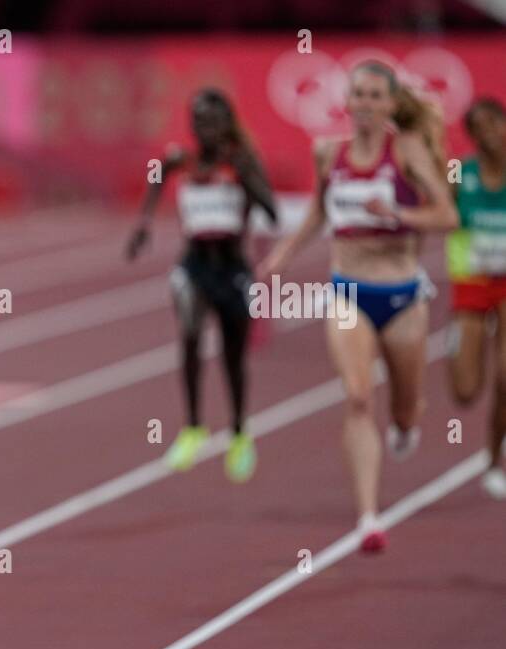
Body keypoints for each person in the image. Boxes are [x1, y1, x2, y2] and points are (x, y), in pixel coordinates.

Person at [258, 62, 457, 552]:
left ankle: (407, 424)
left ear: (390, 105)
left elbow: (448, 215)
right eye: (358, 95)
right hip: (348, 290)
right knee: (358, 397)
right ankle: (368, 517)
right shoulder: (328, 152)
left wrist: (399, 214)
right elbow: (317, 214)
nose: (365, 104)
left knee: (405, 409)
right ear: (345, 102)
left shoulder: (406, 150)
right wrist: (280, 257)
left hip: (402, 295)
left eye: (375, 96)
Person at [127, 89, 278, 482]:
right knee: (190, 339)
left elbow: (272, 211)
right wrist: (144, 223)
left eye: (211, 122)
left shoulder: (241, 161)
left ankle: (240, 433)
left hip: (232, 268)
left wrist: (247, 181)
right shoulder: (183, 160)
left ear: (227, 123)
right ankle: (193, 427)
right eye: (197, 122)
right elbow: (158, 175)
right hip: (194, 264)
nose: (203, 129)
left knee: (232, 356)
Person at [446, 96, 506, 497]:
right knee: (466, 392)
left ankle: (493, 457)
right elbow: (439, 213)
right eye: (478, 128)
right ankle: (455, 344)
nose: (488, 134)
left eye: (494, 123)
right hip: (470, 281)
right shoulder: (459, 175)